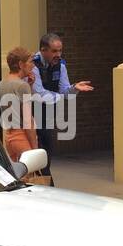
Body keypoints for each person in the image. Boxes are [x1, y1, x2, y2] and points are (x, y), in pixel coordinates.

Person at [31, 32, 93, 171]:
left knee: (46, 150)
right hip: (30, 113)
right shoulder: (33, 65)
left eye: (60, 50)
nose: (58, 54)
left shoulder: (61, 66)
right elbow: (39, 93)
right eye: (54, 51)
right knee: (36, 150)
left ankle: (45, 180)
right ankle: (44, 182)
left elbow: (65, 90)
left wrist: (73, 88)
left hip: (47, 114)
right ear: (43, 50)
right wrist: (61, 96)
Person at [0, 46, 38, 164]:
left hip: (9, 136)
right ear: (21, 64)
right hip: (22, 136)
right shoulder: (22, 86)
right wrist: (35, 147)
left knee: (18, 176)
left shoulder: (2, 83)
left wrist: (30, 85)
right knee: (30, 176)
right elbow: (27, 120)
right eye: (30, 62)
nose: (33, 66)